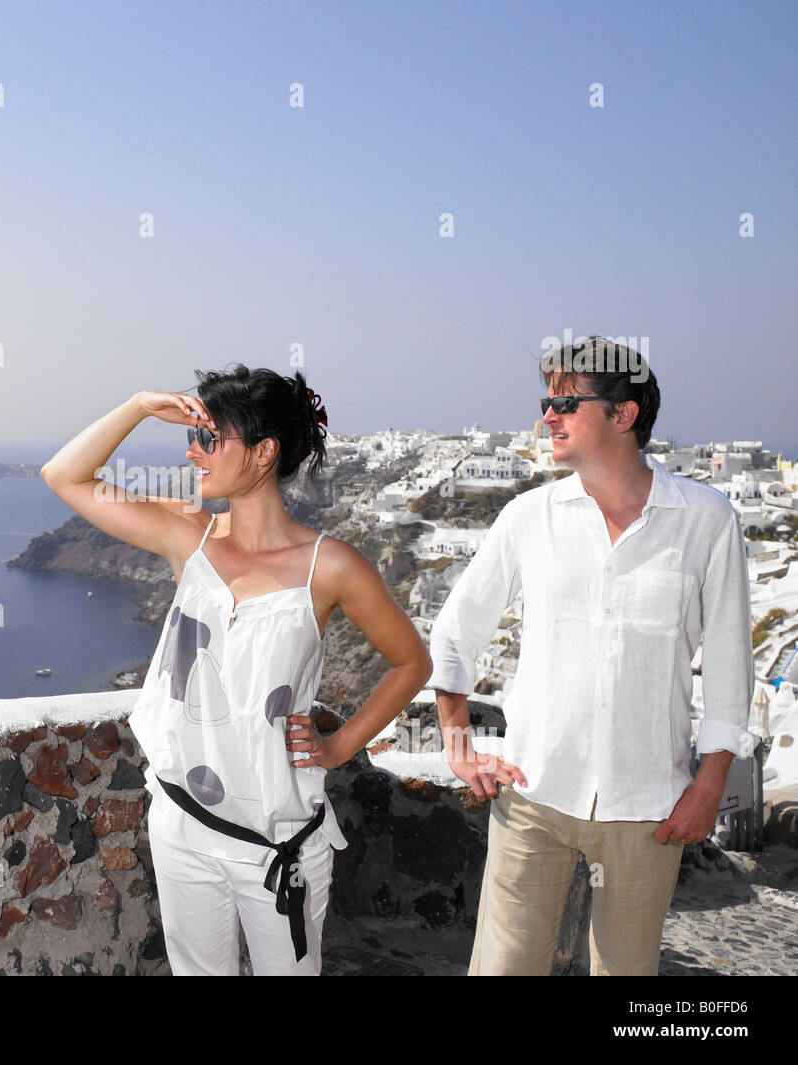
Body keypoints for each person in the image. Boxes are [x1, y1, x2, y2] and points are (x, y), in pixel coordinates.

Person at [41, 365, 431, 975]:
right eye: (192, 439)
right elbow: (63, 476)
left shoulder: (330, 568)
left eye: (211, 439)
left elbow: (412, 662)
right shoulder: (187, 534)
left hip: (280, 846)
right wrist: (139, 405)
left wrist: (339, 745)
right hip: (183, 824)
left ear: (264, 452)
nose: (194, 453)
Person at [428, 337, 756, 976]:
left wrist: (711, 781)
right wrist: (457, 743)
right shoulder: (530, 516)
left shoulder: (707, 519)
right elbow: (454, 633)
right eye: (545, 401)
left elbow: (726, 662)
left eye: (565, 402)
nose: (546, 415)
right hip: (533, 793)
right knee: (502, 968)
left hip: (646, 801)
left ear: (623, 414)